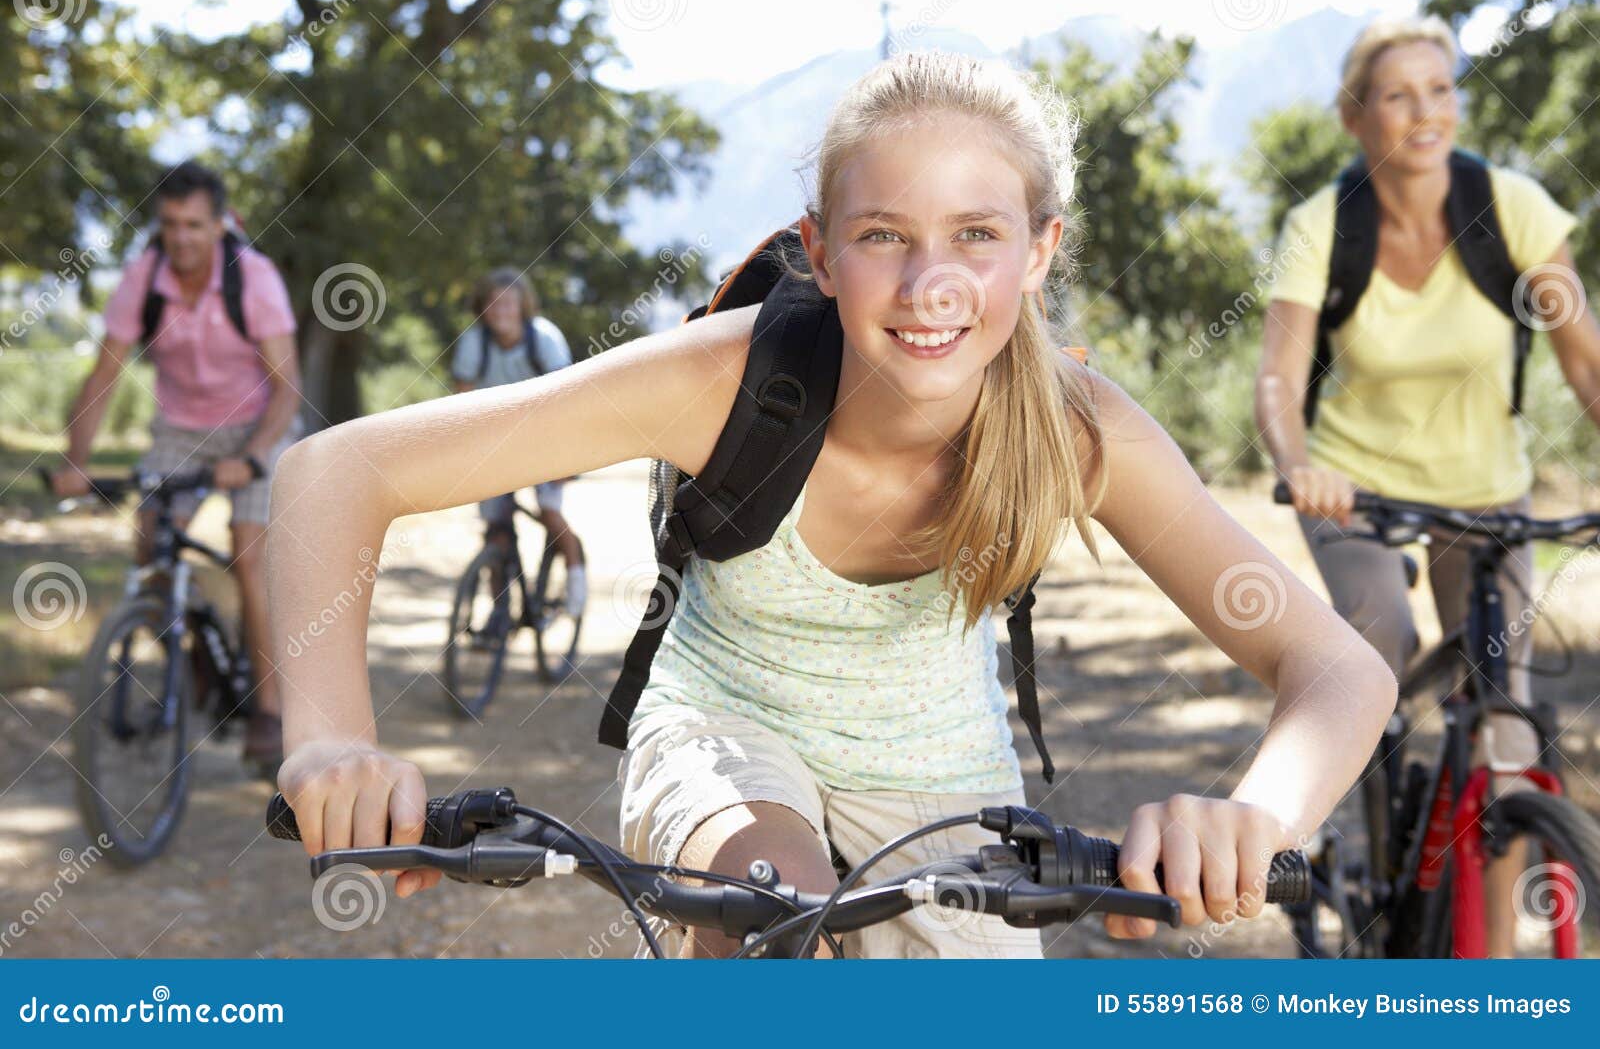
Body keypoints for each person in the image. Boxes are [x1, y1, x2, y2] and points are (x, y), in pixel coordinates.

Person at [269, 50, 1395, 958]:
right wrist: (331, 742)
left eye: (976, 234)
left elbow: (1340, 666)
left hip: (944, 776)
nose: (928, 283)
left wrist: (1255, 818)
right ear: (818, 249)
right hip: (725, 731)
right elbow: (338, 472)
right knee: (777, 902)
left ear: (1040, 251)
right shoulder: (721, 379)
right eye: (881, 236)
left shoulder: (1077, 430)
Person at [1255, 16, 1600, 957]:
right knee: (1380, 643)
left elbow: (1586, 362)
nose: (1426, 112)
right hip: (1357, 491)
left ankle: (1477, 958)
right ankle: (1369, 846)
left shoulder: (1516, 207)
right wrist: (1299, 466)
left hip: (1489, 494)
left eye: (1441, 89)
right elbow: (1280, 379)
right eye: (1399, 94)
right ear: (1355, 117)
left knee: (1507, 725)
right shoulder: (1325, 224)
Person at [51, 160, 302, 773]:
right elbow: (104, 374)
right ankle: (184, 646)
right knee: (150, 539)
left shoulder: (256, 278)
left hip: (257, 424)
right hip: (181, 427)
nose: (182, 237)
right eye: (171, 225)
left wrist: (252, 456)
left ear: (220, 225)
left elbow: (288, 384)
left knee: (249, 554)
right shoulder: (144, 278)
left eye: (195, 224)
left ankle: (268, 710)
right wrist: (73, 461)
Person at [450, 267, 585, 617]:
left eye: (508, 302)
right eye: (492, 303)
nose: (500, 310)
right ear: (482, 307)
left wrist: (566, 460)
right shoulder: (474, 343)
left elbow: (566, 397)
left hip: (546, 440)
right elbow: (462, 404)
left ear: (522, 305)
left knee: (550, 512)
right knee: (496, 528)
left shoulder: (543, 338)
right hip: (497, 444)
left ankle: (575, 576)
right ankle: (500, 611)